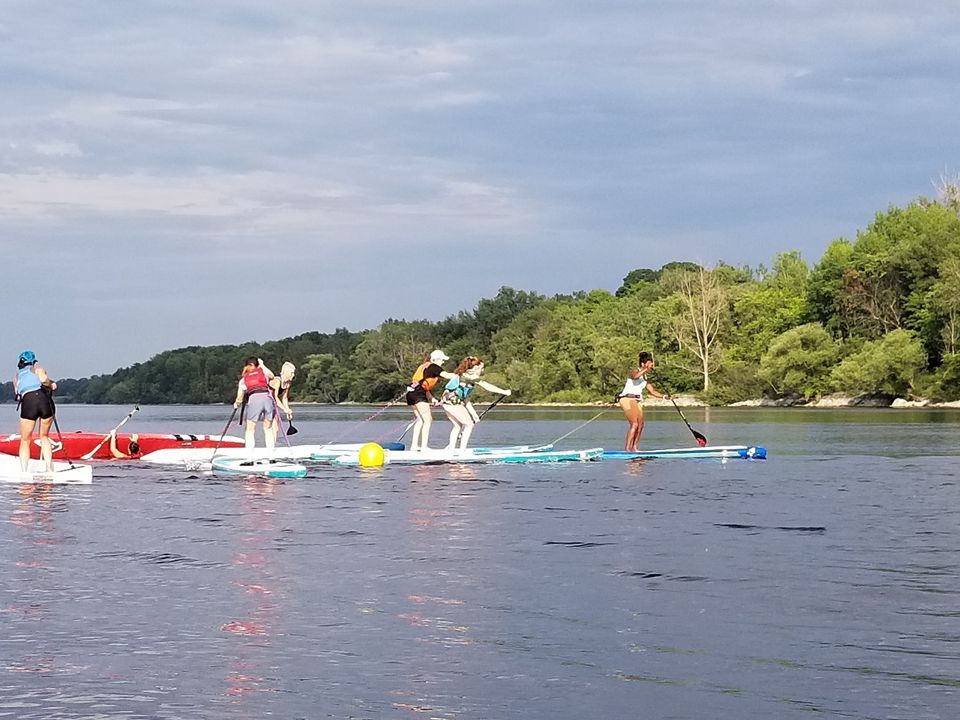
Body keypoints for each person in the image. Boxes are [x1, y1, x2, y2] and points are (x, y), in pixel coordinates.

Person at [440, 356, 511, 453]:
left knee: (457, 426)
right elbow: (488, 386)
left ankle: (451, 450)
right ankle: (461, 451)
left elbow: (465, 398)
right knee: (469, 425)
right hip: (453, 402)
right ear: (475, 368)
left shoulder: (462, 375)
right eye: (481, 368)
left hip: (446, 401)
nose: (483, 370)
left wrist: (473, 414)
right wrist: (504, 392)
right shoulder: (471, 377)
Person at [13, 350, 57, 472]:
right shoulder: (37, 368)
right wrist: (51, 385)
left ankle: (24, 471)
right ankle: (49, 469)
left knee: (25, 440)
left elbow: (17, 394)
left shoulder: (17, 376)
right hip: (45, 402)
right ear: (33, 361)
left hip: (29, 402)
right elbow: (43, 380)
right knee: (44, 436)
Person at [616, 351, 669, 452]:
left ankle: (635, 447)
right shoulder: (635, 371)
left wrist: (665, 396)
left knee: (641, 425)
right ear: (643, 364)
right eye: (650, 364)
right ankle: (627, 449)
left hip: (636, 400)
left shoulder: (645, 378)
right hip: (627, 399)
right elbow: (635, 377)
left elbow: (653, 391)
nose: (651, 367)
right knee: (634, 424)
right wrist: (645, 368)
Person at [405, 349, 451, 451]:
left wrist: (432, 398)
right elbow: (447, 376)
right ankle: (424, 447)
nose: (443, 362)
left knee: (420, 420)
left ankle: (414, 445)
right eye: (442, 360)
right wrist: (459, 375)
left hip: (411, 393)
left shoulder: (425, 366)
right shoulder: (434, 367)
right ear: (436, 359)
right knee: (428, 420)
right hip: (418, 394)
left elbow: (423, 386)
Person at [234, 357, 276, 455]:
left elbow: (239, 398)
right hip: (268, 400)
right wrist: (262, 364)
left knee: (250, 429)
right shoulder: (264, 373)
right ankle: (271, 456)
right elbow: (272, 376)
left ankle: (249, 457)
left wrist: (236, 404)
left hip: (254, 401)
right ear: (257, 365)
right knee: (268, 428)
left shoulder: (244, 379)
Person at [269, 361, 296, 442]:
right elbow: (275, 397)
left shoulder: (288, 384)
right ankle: (270, 444)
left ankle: (273, 443)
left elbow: (284, 398)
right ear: (286, 372)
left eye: (293, 373)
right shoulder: (277, 381)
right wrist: (284, 409)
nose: (293, 375)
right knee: (271, 424)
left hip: (273, 403)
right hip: (267, 401)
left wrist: (288, 410)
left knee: (276, 426)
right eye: (291, 373)